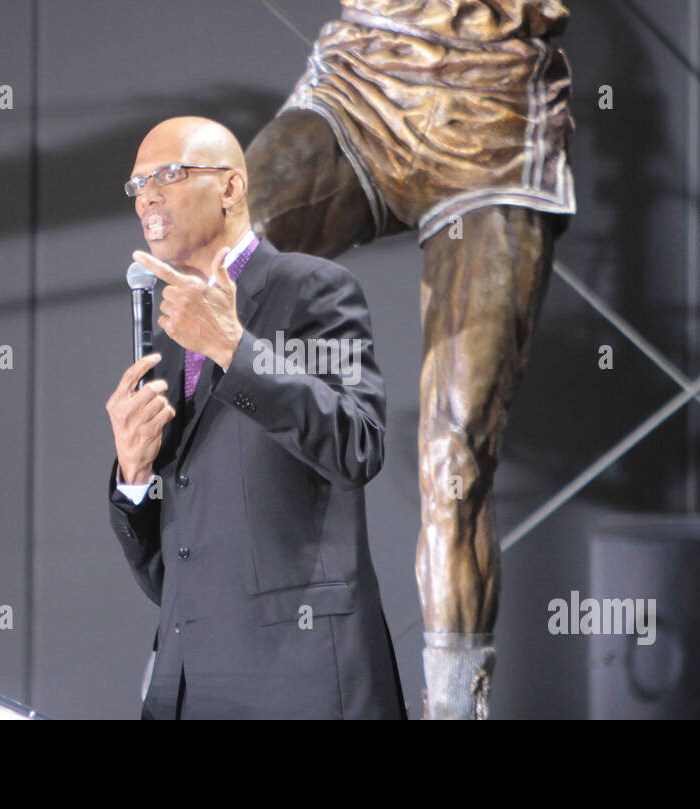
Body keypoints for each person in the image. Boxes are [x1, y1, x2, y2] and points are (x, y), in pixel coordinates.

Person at [243, 0, 574, 718]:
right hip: (369, 76)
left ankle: (457, 709)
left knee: (455, 461)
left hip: (495, 107)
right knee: (224, 260)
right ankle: (192, 641)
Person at [104, 117, 405, 719]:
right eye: (137, 185)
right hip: (188, 687)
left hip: (301, 680)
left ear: (232, 188)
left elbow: (358, 443)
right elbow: (177, 568)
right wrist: (133, 478)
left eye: (168, 174)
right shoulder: (167, 339)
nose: (149, 196)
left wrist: (233, 349)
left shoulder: (314, 288)